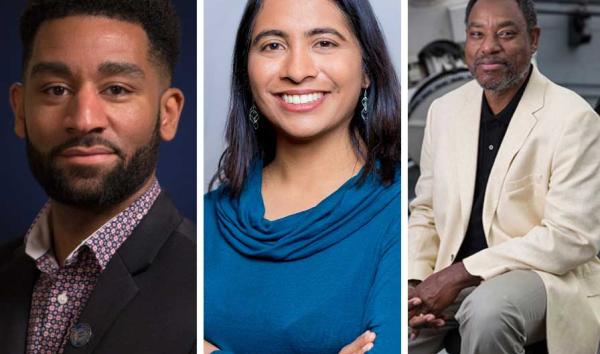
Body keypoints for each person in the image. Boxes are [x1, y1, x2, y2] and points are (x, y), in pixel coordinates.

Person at [204, 0, 401, 353]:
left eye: (324, 42)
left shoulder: (398, 211)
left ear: (367, 68)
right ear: (246, 72)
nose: (297, 70)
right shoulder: (206, 218)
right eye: (273, 45)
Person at [0, 1, 196, 353]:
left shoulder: (211, 280)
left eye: (116, 89)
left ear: (167, 114)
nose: (84, 118)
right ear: (19, 110)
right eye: (56, 89)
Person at [407, 0, 600, 353]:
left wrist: (460, 273)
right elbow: (426, 212)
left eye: (506, 34)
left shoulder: (574, 118)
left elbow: (572, 237)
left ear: (534, 38)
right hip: (451, 273)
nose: (489, 46)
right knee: (390, 318)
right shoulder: (444, 111)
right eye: (476, 34)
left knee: (488, 311)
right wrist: (413, 280)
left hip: (541, 276)